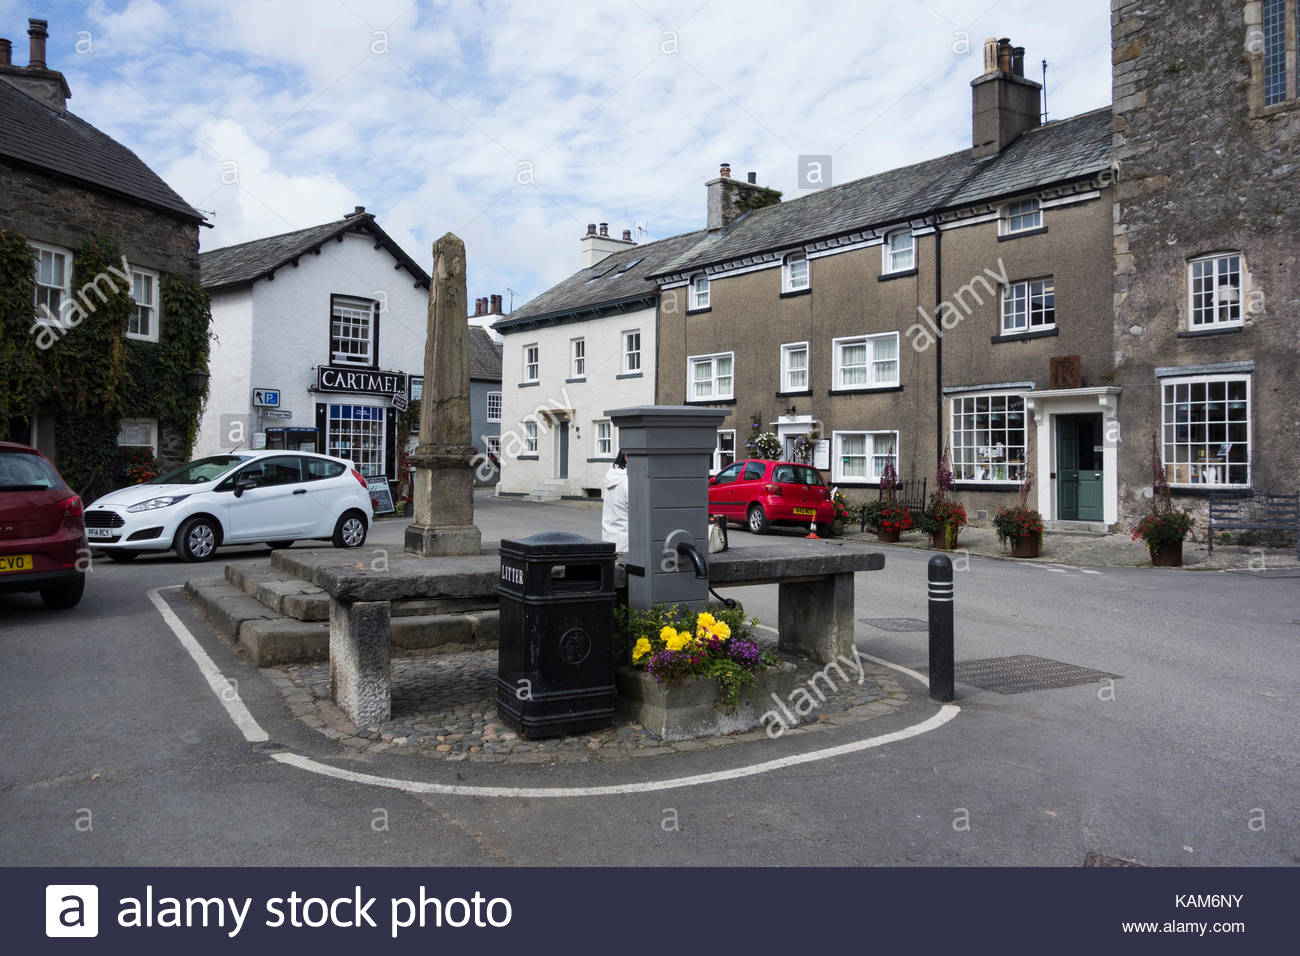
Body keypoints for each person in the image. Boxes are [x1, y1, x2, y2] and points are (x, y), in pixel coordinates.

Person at [601, 450, 629, 552]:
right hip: (627, 544)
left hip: (609, 539)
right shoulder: (628, 481)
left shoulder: (612, 475)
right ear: (626, 456)